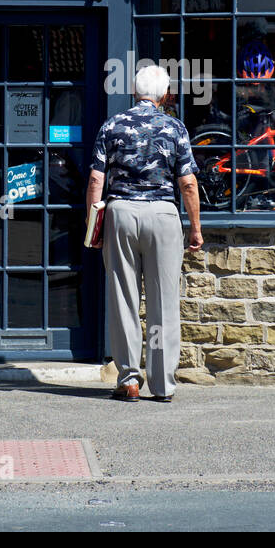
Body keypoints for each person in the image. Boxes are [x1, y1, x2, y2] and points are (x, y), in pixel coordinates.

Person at [87, 64, 203, 402]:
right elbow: (188, 183)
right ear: (164, 95)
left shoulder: (112, 126)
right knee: (163, 302)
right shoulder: (175, 127)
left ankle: (129, 379)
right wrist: (195, 228)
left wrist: (93, 226)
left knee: (123, 297)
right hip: (163, 216)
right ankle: (163, 384)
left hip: (121, 213)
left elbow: (96, 180)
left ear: (134, 94)